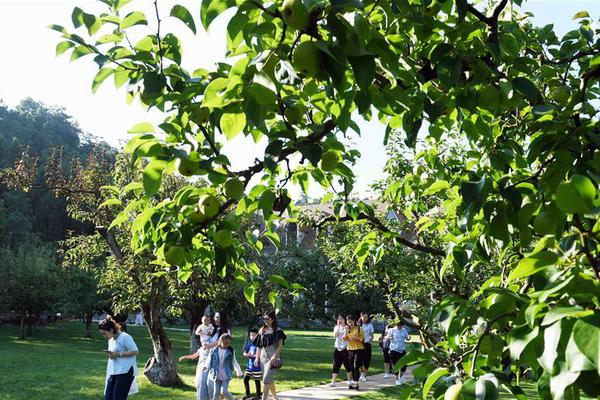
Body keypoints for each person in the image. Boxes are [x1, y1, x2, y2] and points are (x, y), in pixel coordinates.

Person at [99, 317, 139, 400]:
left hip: (125, 372)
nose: (104, 336)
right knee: (108, 397)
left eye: (104, 333)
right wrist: (111, 355)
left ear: (110, 330)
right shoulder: (111, 340)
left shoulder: (125, 337)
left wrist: (118, 354)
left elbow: (135, 351)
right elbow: (114, 354)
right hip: (114, 371)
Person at [180, 315, 219, 400]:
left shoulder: (211, 329)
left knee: (207, 383)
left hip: (208, 366)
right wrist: (184, 357)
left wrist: (209, 340)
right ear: (202, 321)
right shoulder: (201, 349)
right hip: (201, 366)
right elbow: (194, 355)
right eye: (205, 320)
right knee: (200, 383)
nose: (206, 322)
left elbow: (213, 335)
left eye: (208, 320)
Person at [254, 310, 286, 400]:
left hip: (273, 358)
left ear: (272, 319)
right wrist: (257, 357)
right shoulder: (262, 330)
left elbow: (279, 347)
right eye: (264, 319)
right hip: (262, 358)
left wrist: (274, 357)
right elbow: (259, 346)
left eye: (267, 319)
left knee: (266, 380)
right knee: (269, 380)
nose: (265, 321)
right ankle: (275, 397)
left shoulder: (278, 331)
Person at [207, 334, 242, 400]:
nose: (227, 345)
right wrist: (206, 367)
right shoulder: (214, 351)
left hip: (226, 374)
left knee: (224, 391)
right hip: (217, 375)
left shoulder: (230, 351)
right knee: (216, 394)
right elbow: (209, 359)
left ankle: (234, 399)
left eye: (228, 343)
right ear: (220, 341)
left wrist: (239, 372)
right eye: (225, 343)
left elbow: (234, 362)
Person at [342, 315, 364, 391]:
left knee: (355, 366)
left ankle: (356, 383)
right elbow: (344, 339)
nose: (349, 323)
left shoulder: (359, 329)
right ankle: (351, 383)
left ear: (354, 321)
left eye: (351, 322)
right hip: (350, 349)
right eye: (348, 322)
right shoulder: (347, 329)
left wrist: (355, 338)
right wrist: (345, 332)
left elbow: (362, 340)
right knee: (351, 366)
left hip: (359, 349)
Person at [329, 315, 352, 387]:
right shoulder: (336, 327)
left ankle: (349, 380)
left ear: (344, 319)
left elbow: (345, 338)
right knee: (335, 364)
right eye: (339, 319)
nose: (340, 320)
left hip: (345, 348)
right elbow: (335, 335)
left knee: (347, 364)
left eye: (341, 319)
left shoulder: (347, 327)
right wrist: (338, 327)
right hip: (337, 348)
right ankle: (333, 381)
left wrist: (345, 330)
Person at [387, 320, 411, 385]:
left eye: (401, 325)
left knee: (404, 365)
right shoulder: (392, 330)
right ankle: (397, 379)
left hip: (402, 349)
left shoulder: (404, 330)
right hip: (393, 349)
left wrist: (409, 337)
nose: (399, 327)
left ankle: (401, 377)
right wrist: (390, 337)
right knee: (395, 365)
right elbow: (387, 337)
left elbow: (407, 337)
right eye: (398, 325)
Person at [242, 328, 262, 400]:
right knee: (245, 379)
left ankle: (258, 395)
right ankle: (247, 394)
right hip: (249, 367)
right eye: (251, 335)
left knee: (257, 381)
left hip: (257, 367)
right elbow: (244, 352)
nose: (252, 337)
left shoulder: (259, 345)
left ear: (257, 336)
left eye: (254, 335)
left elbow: (261, 355)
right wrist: (247, 355)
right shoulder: (250, 344)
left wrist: (254, 356)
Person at [359, 312, 374, 382]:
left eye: (366, 317)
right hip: (359, 344)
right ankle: (361, 374)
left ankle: (365, 375)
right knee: (359, 360)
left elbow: (372, 335)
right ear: (361, 317)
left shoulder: (370, 325)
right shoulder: (358, 325)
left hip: (367, 344)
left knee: (366, 360)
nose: (364, 318)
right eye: (363, 317)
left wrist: (369, 341)